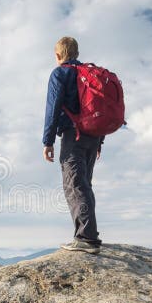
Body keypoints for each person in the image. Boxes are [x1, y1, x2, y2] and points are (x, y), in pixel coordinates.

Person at [42, 36, 104, 254]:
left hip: (73, 135)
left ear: (58, 55)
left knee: (75, 185)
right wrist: (99, 140)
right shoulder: (90, 75)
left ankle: (87, 239)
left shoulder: (60, 73)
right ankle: (87, 236)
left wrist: (47, 141)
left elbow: (53, 108)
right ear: (76, 53)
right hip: (93, 135)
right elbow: (99, 109)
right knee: (84, 184)